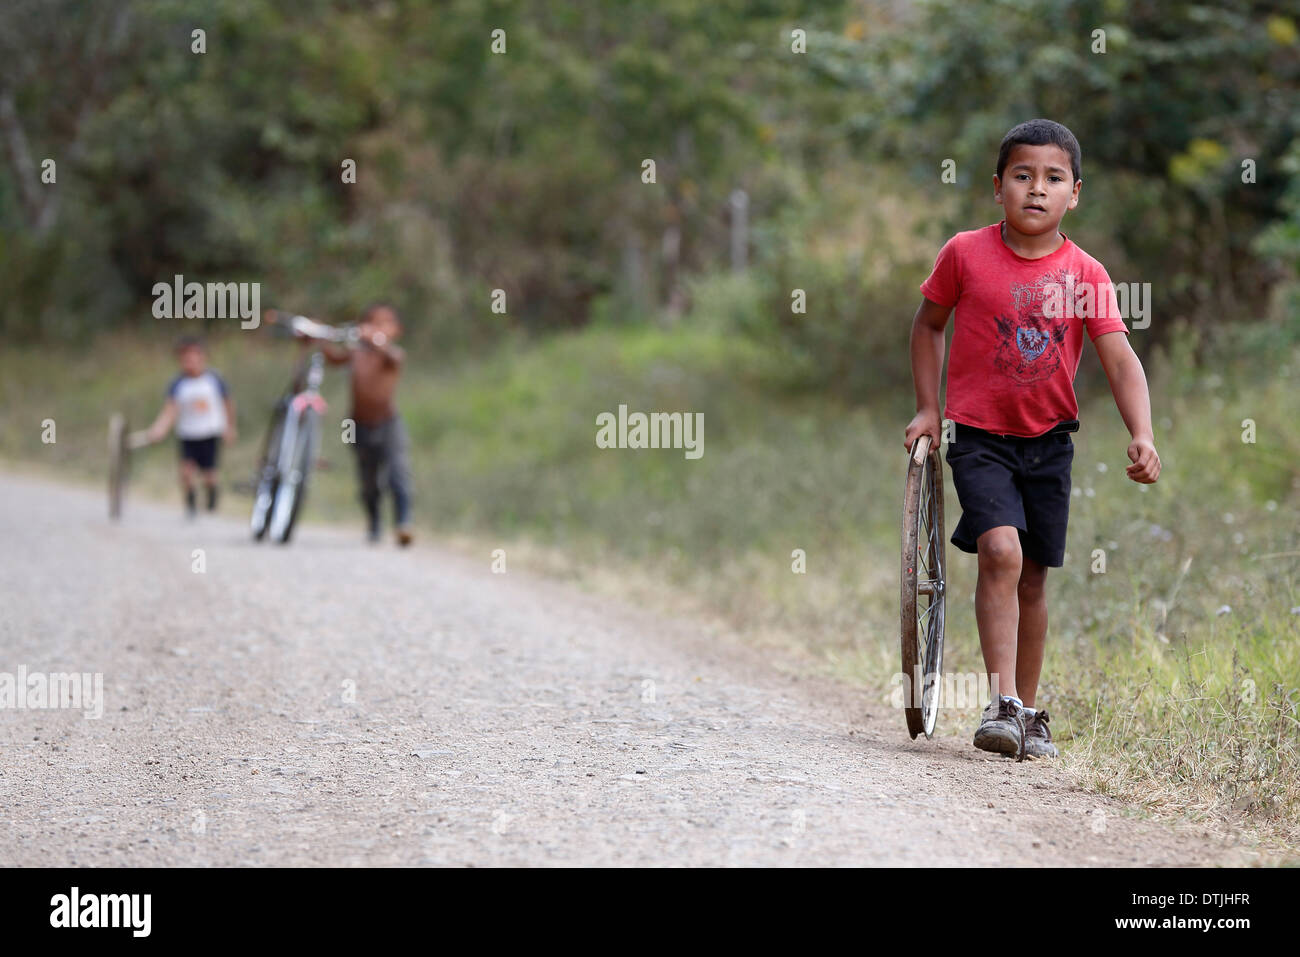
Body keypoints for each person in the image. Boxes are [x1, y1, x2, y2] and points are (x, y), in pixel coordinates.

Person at [903, 119, 1161, 759]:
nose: (1037, 189)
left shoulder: (1087, 274)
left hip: (1050, 443)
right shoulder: (964, 254)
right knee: (1000, 552)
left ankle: (1026, 711)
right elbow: (929, 325)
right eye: (1022, 176)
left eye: (1053, 178)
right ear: (998, 187)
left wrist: (1142, 432)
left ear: (1075, 193)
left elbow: (1119, 358)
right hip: (979, 438)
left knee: (1034, 579)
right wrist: (928, 409)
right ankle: (1000, 703)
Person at [320, 303, 413, 546]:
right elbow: (333, 358)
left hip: (389, 422)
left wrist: (377, 341)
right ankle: (374, 523)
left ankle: (403, 523)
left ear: (397, 330)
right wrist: (321, 339)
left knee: (398, 472)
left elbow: (394, 357)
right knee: (368, 479)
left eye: (385, 323)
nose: (377, 328)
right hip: (357, 425)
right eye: (372, 322)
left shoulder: (392, 355)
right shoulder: (356, 353)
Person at [145, 335, 237, 517]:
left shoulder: (214, 379)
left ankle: (212, 497)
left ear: (202, 357)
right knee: (186, 473)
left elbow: (228, 404)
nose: (189, 362)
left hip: (210, 433)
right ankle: (191, 504)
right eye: (184, 358)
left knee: (210, 476)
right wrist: (159, 428)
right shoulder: (178, 384)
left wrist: (230, 426)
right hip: (188, 434)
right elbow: (170, 410)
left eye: (193, 357)